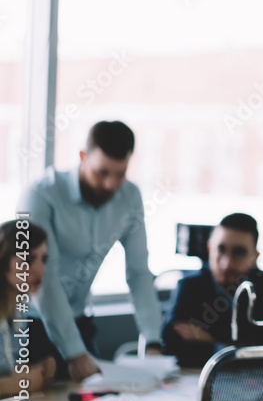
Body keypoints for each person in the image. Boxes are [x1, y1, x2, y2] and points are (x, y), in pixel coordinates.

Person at [19, 121, 163, 381]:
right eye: (102, 173)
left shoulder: (130, 197)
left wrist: (153, 342)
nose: (111, 184)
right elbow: (43, 279)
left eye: (120, 174)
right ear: (83, 157)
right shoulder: (41, 194)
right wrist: (75, 354)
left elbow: (139, 272)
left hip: (80, 322)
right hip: (31, 326)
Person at [162, 213, 263, 367]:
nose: (226, 264)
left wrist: (211, 341)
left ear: (254, 257)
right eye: (221, 250)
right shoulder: (189, 286)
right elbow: (172, 344)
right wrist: (238, 346)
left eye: (239, 253)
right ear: (209, 248)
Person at [0, 220, 57, 396]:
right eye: (28, 259)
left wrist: (36, 370)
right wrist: (9, 386)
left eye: (43, 259)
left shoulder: (20, 311)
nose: (40, 270)